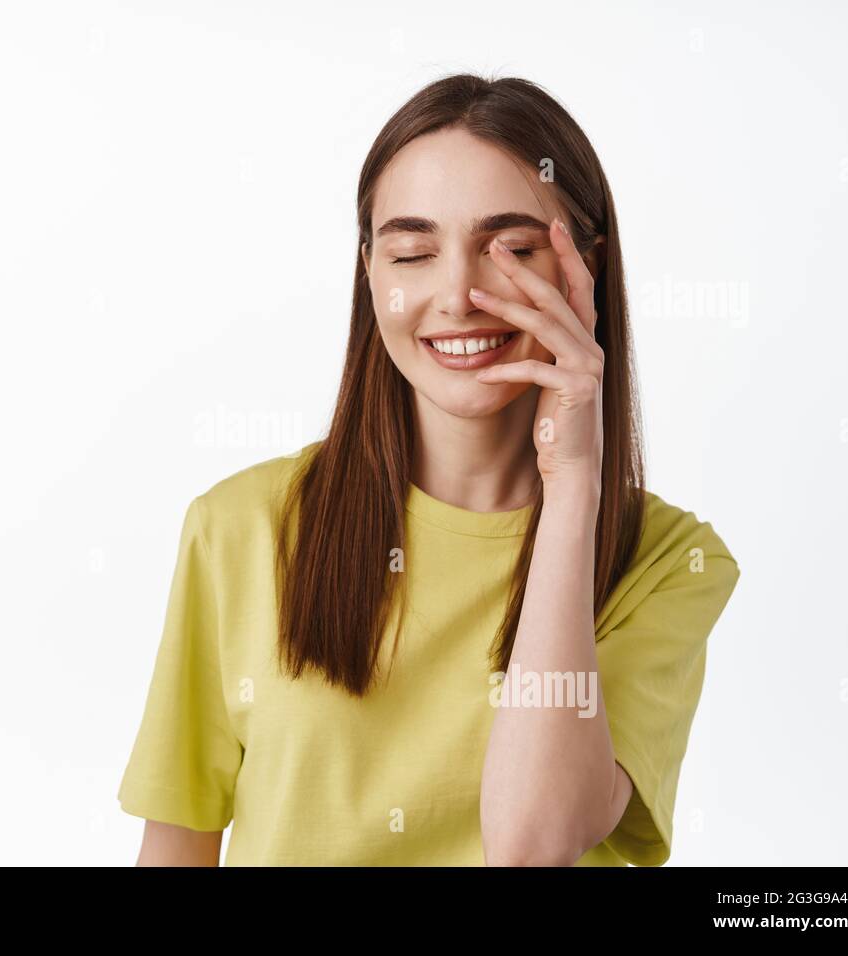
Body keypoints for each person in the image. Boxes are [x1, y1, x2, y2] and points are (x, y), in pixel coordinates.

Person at [117, 73, 740, 866]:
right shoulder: (240, 527)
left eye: (512, 250)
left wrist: (572, 488)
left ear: (585, 270)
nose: (457, 294)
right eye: (413, 251)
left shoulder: (666, 563)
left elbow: (532, 842)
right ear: (372, 271)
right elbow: (176, 848)